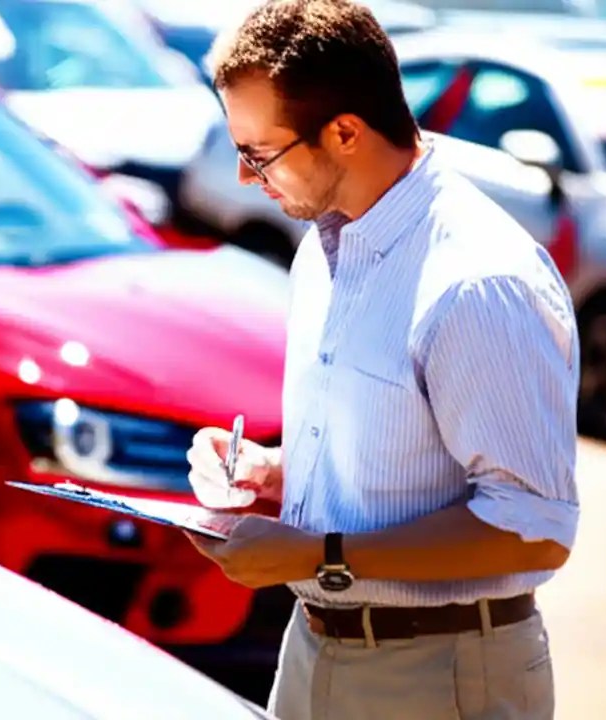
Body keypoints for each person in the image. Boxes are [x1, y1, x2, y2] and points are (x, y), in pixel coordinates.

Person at [183, 1, 581, 718]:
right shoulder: (325, 248)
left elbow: (535, 529)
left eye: (258, 153)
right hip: (312, 651)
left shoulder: (477, 282)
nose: (246, 178)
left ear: (344, 132)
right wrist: (271, 472)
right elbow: (389, 460)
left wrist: (318, 555)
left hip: (442, 671)